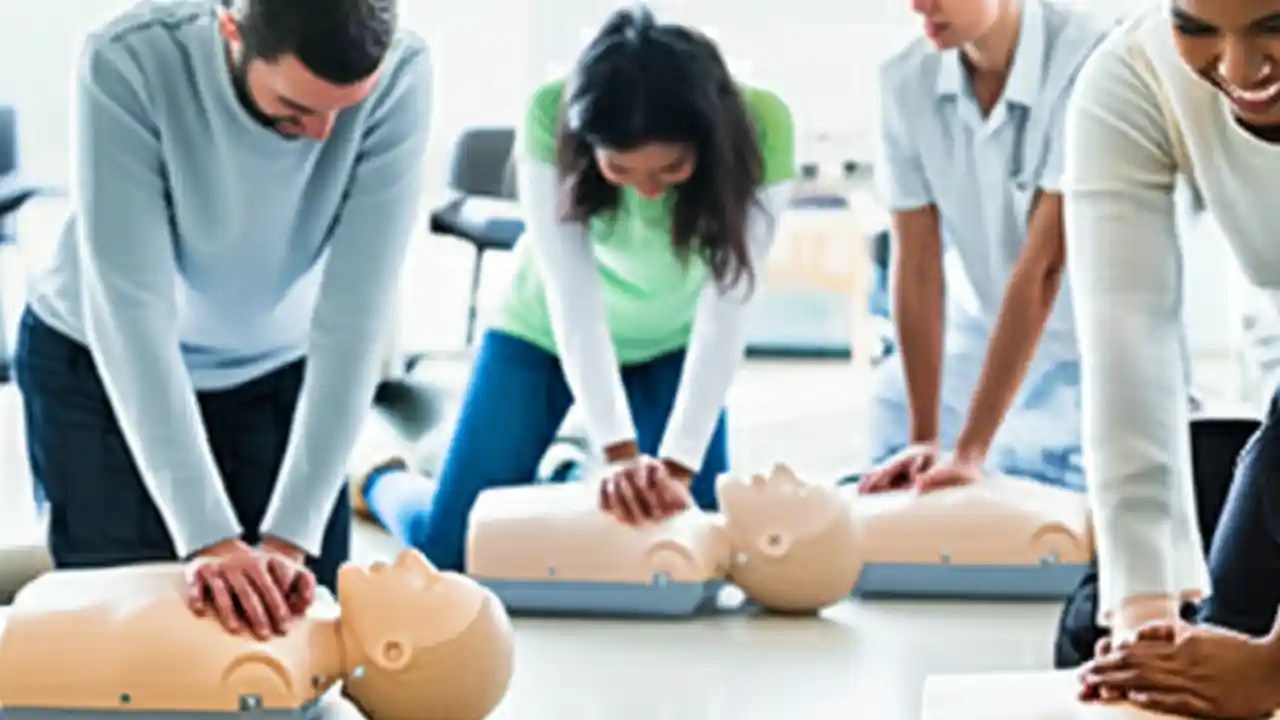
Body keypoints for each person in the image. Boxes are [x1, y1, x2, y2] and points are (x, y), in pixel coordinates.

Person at [13, 0, 432, 639]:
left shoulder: (402, 73)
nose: (324, 134)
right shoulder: (128, 59)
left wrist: (291, 539)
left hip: (273, 367)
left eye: (344, 110)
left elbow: (354, 316)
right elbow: (134, 315)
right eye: (296, 109)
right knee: (134, 643)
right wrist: (208, 537)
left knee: (295, 638)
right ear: (231, 32)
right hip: (101, 364)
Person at [356, 5, 796, 573]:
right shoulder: (549, 112)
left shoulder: (763, 124)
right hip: (539, 333)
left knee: (695, 538)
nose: (648, 190)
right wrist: (618, 453)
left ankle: (564, 470)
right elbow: (573, 293)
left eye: (671, 169)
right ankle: (380, 479)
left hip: (673, 342)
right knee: (453, 551)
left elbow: (729, 302)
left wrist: (678, 465)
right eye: (622, 171)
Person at [1062, 0, 1280, 717]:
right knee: (1215, 643)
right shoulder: (1133, 75)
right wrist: (1146, 610)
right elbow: (1127, 333)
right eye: (1198, 29)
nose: (1241, 69)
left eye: (1276, 27)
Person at [856, 0, 1111, 496]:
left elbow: (1042, 269)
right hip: (983, 335)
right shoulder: (904, 79)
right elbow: (918, 264)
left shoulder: (1091, 60)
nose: (919, 5)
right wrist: (924, 436)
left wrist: (971, 449)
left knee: (1039, 481)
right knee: (892, 429)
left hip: (1097, 344)